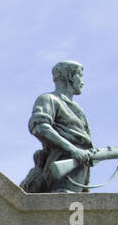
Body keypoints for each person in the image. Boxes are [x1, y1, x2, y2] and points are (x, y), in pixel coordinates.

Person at [22, 60, 95, 193]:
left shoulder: (80, 111)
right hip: (61, 163)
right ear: (70, 76)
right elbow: (40, 127)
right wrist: (72, 149)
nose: (83, 82)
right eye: (80, 75)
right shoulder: (48, 99)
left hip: (81, 168)